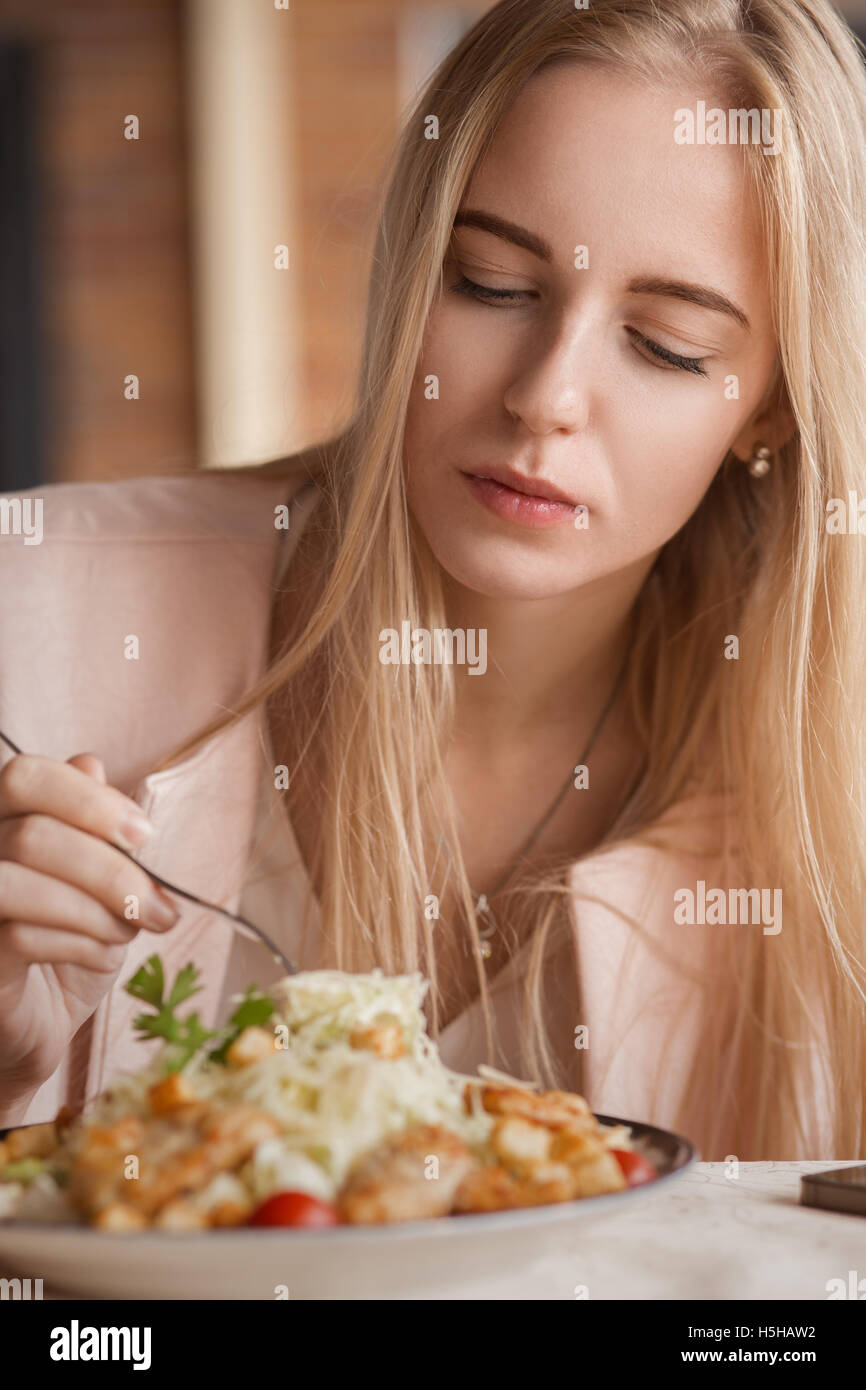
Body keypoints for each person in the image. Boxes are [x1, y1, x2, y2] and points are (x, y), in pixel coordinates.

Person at [1, 0, 865, 1160]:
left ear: (765, 401)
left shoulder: (828, 799)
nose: (543, 397)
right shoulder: (30, 610)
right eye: (491, 283)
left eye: (666, 344)